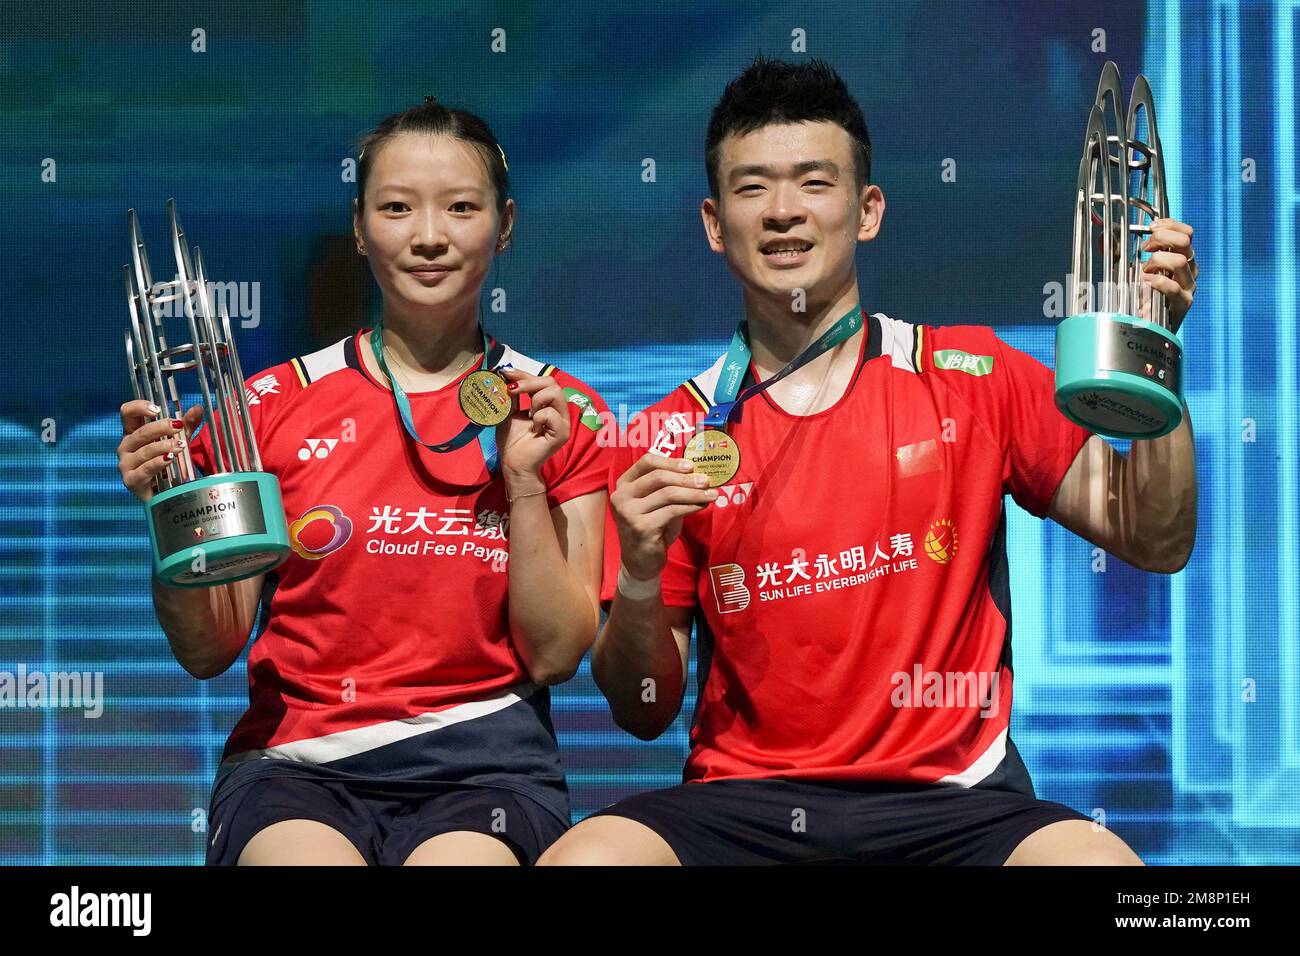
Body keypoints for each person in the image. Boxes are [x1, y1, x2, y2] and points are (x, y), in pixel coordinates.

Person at [539, 56, 1198, 866]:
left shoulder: (974, 377)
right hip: (744, 806)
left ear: (868, 210)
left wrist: (1153, 347)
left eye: (815, 183)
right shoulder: (666, 438)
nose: (783, 212)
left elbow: (1157, 537)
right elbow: (642, 708)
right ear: (715, 224)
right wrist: (639, 572)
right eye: (752, 189)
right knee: (589, 858)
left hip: (955, 801)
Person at [116, 97, 610, 865]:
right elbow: (208, 649)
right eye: (396, 207)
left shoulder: (559, 412)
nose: (429, 236)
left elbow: (552, 656)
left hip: (487, 772)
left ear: (505, 225)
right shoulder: (265, 409)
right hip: (296, 772)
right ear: (358, 226)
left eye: (461, 207)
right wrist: (167, 518)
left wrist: (521, 483)